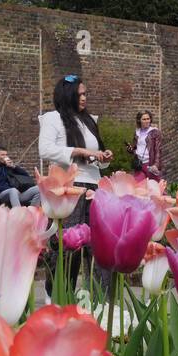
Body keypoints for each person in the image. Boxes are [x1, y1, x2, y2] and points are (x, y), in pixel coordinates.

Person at [39, 74, 113, 295]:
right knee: (67, 247)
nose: (84, 98)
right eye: (79, 94)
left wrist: (103, 158)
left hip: (93, 187)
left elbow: (94, 160)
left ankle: (101, 301)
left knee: (98, 247)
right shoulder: (53, 119)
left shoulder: (89, 121)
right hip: (68, 188)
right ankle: (61, 296)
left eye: (85, 93)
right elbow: (46, 150)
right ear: (67, 95)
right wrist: (79, 151)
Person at [125, 111, 163, 180]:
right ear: (139, 120)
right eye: (144, 119)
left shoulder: (155, 132)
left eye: (148, 119)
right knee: (138, 186)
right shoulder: (137, 132)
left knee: (154, 187)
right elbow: (135, 148)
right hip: (139, 164)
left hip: (150, 164)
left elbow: (158, 150)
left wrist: (156, 165)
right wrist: (130, 150)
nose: (147, 121)